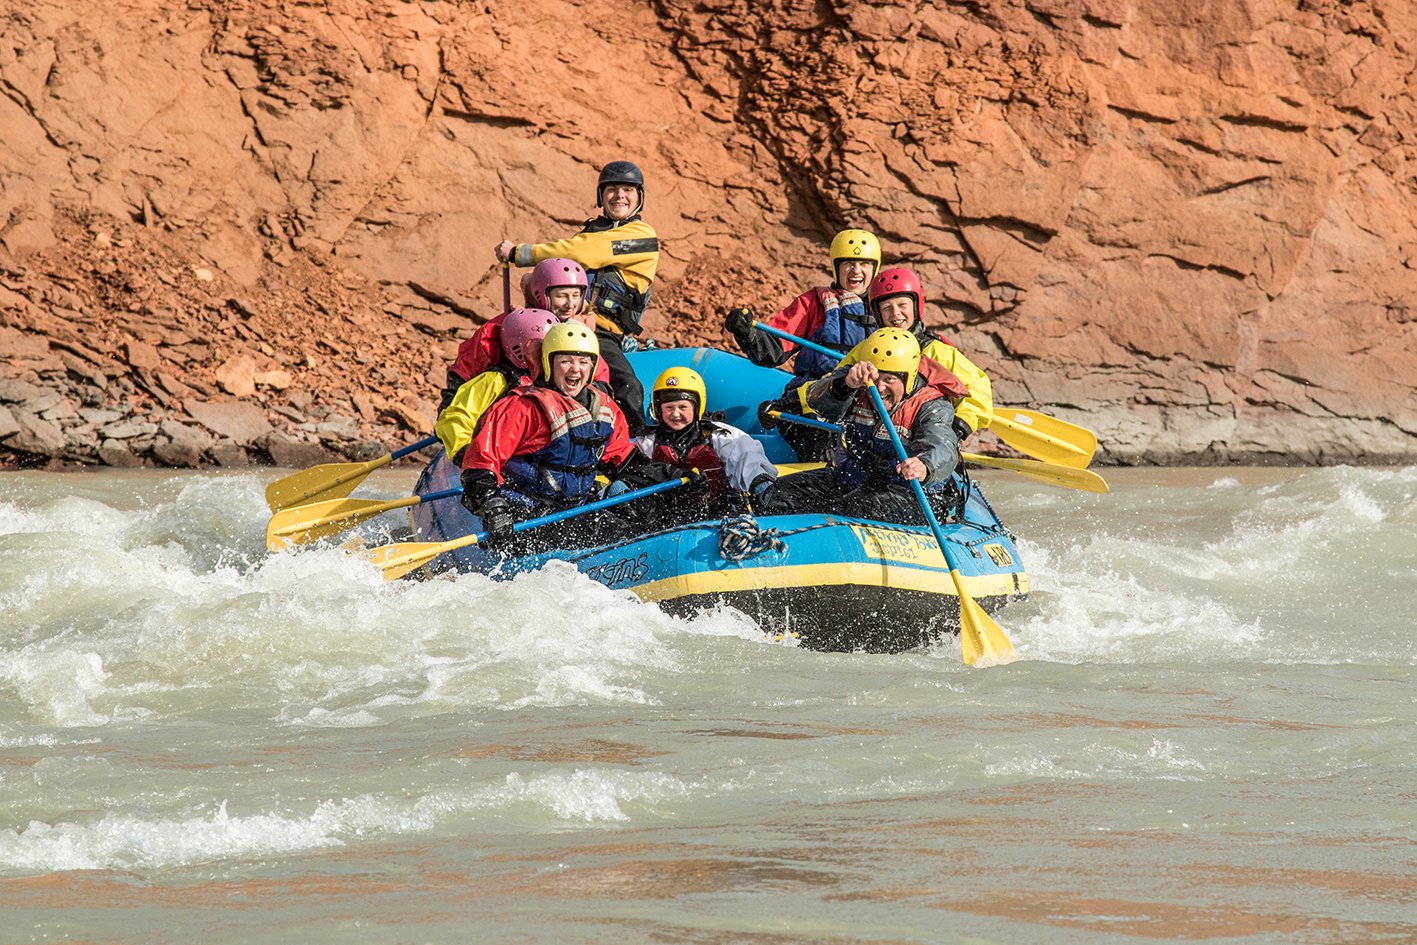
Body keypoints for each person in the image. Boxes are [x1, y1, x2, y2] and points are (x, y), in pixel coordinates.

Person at [494, 160, 657, 433]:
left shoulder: (642, 237)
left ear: (639, 196)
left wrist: (518, 253)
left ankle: (637, 442)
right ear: (601, 196)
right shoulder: (591, 231)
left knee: (624, 381)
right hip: (562, 325)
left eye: (628, 190)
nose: (619, 196)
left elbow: (582, 252)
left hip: (602, 332)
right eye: (612, 189)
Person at [754, 328, 971, 526]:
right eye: (875, 378)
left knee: (858, 509)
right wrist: (844, 386)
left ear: (908, 377)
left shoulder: (931, 404)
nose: (879, 388)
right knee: (775, 496)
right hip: (854, 480)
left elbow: (943, 448)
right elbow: (819, 404)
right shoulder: (853, 382)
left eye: (889, 380)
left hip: (913, 495)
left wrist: (924, 466)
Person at [459, 322, 639, 553]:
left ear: (592, 367)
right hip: (525, 510)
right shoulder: (521, 408)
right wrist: (494, 508)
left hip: (576, 509)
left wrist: (669, 476)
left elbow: (624, 460)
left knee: (630, 522)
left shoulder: (605, 409)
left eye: (583, 362)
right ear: (548, 363)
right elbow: (481, 463)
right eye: (565, 361)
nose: (575, 369)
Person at [723, 228, 882, 461]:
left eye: (863, 264)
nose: (856, 271)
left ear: (874, 268)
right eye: (848, 263)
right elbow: (772, 349)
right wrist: (747, 333)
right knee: (822, 445)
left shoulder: (885, 309)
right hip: (815, 400)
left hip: (866, 404)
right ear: (836, 267)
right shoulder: (815, 303)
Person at [613, 367, 777, 526]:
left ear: (696, 407)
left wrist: (760, 484)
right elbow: (635, 471)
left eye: (683, 407)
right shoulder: (647, 442)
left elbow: (748, 459)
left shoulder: (720, 435)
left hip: (719, 512)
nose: (675, 414)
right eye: (668, 408)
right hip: (666, 516)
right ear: (658, 409)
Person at [438, 258, 604, 412]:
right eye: (561, 296)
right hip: (506, 402)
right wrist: (450, 408)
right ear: (541, 294)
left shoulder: (578, 330)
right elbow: (465, 368)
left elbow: (599, 375)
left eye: (576, 296)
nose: (570, 304)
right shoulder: (503, 326)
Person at [865, 266, 994, 442]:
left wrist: (960, 425)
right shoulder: (868, 349)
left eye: (902, 305)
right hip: (876, 441)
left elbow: (978, 386)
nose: (895, 313)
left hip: (926, 441)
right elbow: (834, 379)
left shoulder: (937, 351)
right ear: (877, 313)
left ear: (916, 306)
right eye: (887, 307)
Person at [434, 307, 559, 464]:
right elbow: (455, 418)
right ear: (522, 350)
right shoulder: (494, 381)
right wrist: (466, 454)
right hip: (491, 459)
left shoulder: (560, 382)